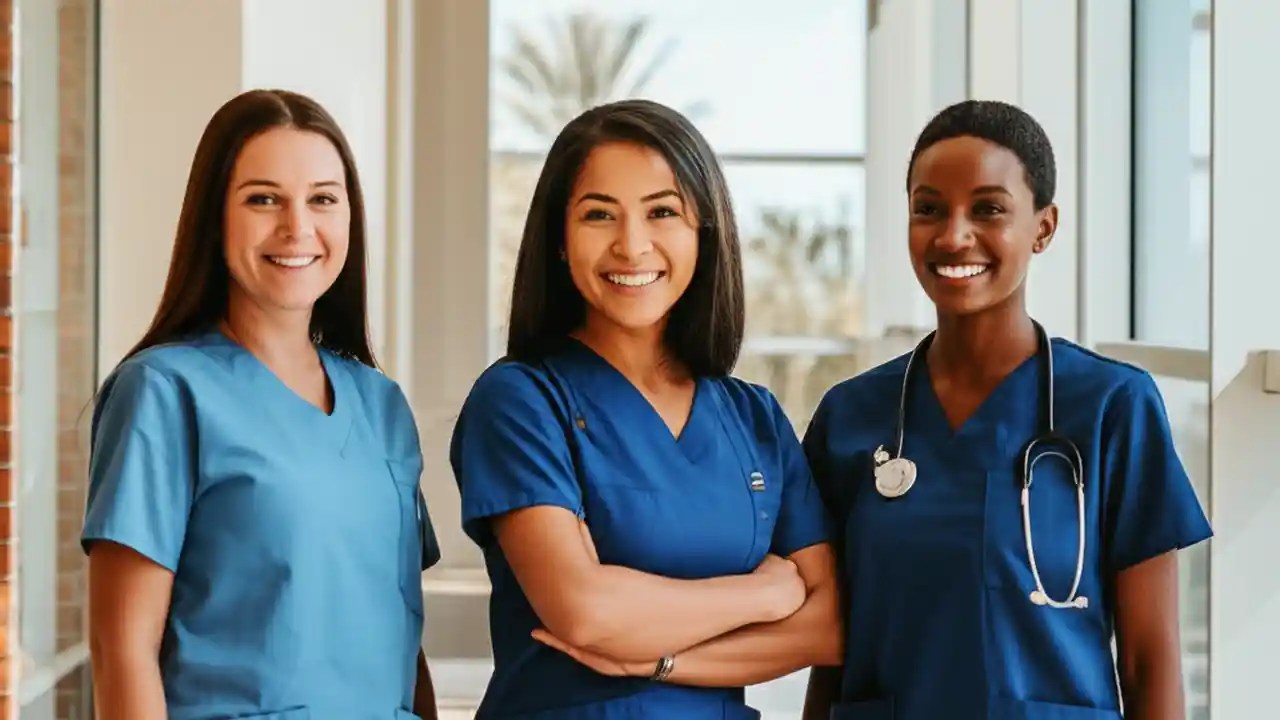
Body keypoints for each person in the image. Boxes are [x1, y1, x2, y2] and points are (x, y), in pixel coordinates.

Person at [801, 99, 1213, 720]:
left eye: (989, 209)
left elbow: (1149, 661)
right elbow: (831, 650)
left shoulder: (1112, 407)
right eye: (928, 209)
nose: (953, 235)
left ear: (1043, 228)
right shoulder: (851, 417)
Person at [450, 98, 842, 718]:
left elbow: (827, 625)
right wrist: (765, 593)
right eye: (599, 215)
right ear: (558, 238)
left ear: (702, 232)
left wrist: (659, 661)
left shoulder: (755, 418)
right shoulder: (523, 400)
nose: (632, 246)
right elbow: (585, 612)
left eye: (662, 212)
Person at [83, 89, 440, 720]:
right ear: (214, 216)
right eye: (263, 199)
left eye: (323, 199)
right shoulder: (164, 393)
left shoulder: (381, 404)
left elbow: (400, 644)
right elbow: (122, 651)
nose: (297, 228)